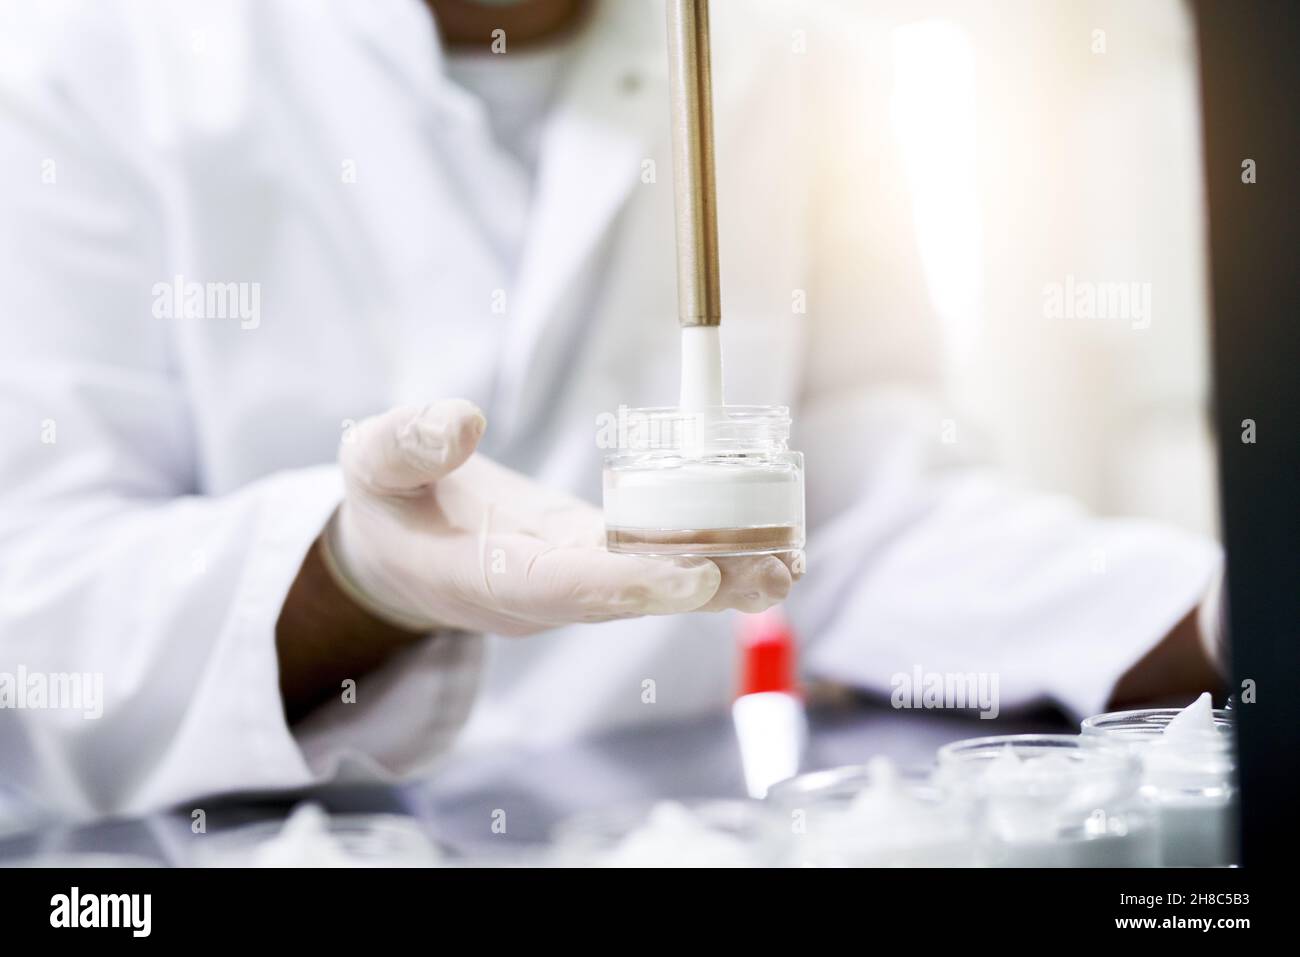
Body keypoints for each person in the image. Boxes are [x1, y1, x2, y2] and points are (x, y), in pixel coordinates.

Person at [0, 0, 1221, 818]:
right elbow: (36, 596)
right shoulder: (92, 51)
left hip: (661, 822)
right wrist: (353, 574)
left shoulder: (784, 45)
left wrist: (1230, 615)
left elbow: (859, 507)